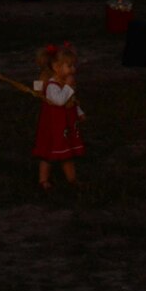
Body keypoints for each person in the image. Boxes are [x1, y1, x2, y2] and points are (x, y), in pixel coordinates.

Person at [32, 41, 86, 188]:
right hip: (53, 126)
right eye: (69, 66)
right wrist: (68, 86)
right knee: (48, 155)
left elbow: (71, 101)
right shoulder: (52, 86)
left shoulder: (64, 83)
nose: (73, 70)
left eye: (73, 66)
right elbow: (60, 101)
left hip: (65, 125)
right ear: (56, 67)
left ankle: (72, 179)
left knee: (67, 155)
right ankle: (43, 180)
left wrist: (79, 112)